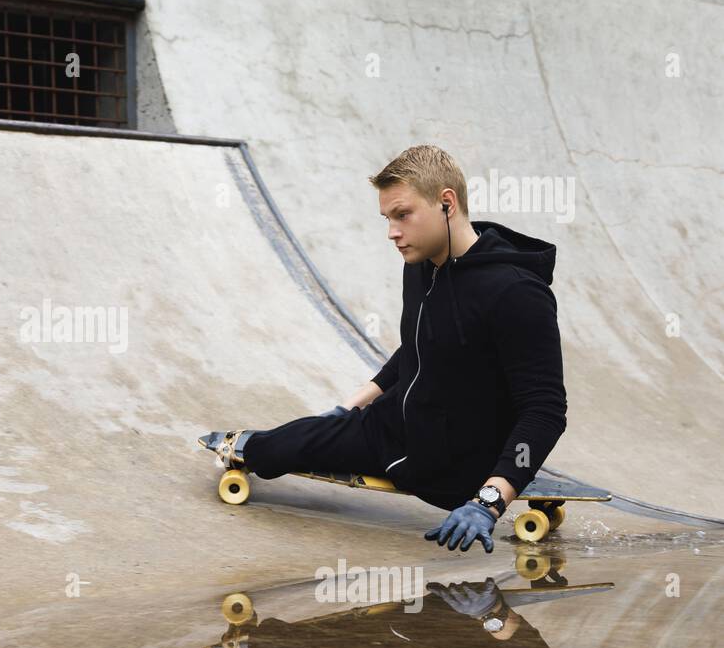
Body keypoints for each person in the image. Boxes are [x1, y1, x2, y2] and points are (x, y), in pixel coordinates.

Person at [199, 145, 567, 553]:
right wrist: (352, 403)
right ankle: (260, 444)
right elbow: (419, 346)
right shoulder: (421, 263)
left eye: (402, 214)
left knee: (284, 445)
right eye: (387, 218)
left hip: (458, 465)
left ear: (447, 203)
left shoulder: (515, 293)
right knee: (273, 448)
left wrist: (490, 501)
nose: (392, 231)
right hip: (392, 429)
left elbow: (545, 409)